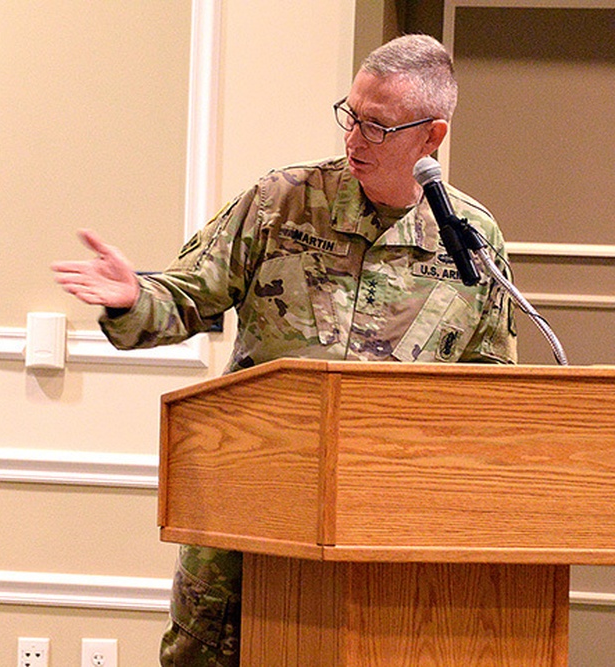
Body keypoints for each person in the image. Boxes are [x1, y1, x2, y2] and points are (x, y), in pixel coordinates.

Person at [51, 34, 516, 666]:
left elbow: (493, 391)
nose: (353, 139)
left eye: (377, 127)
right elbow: (185, 298)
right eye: (350, 115)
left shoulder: (469, 238)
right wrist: (132, 298)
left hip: (389, 534)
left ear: (431, 137)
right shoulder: (282, 202)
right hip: (252, 515)